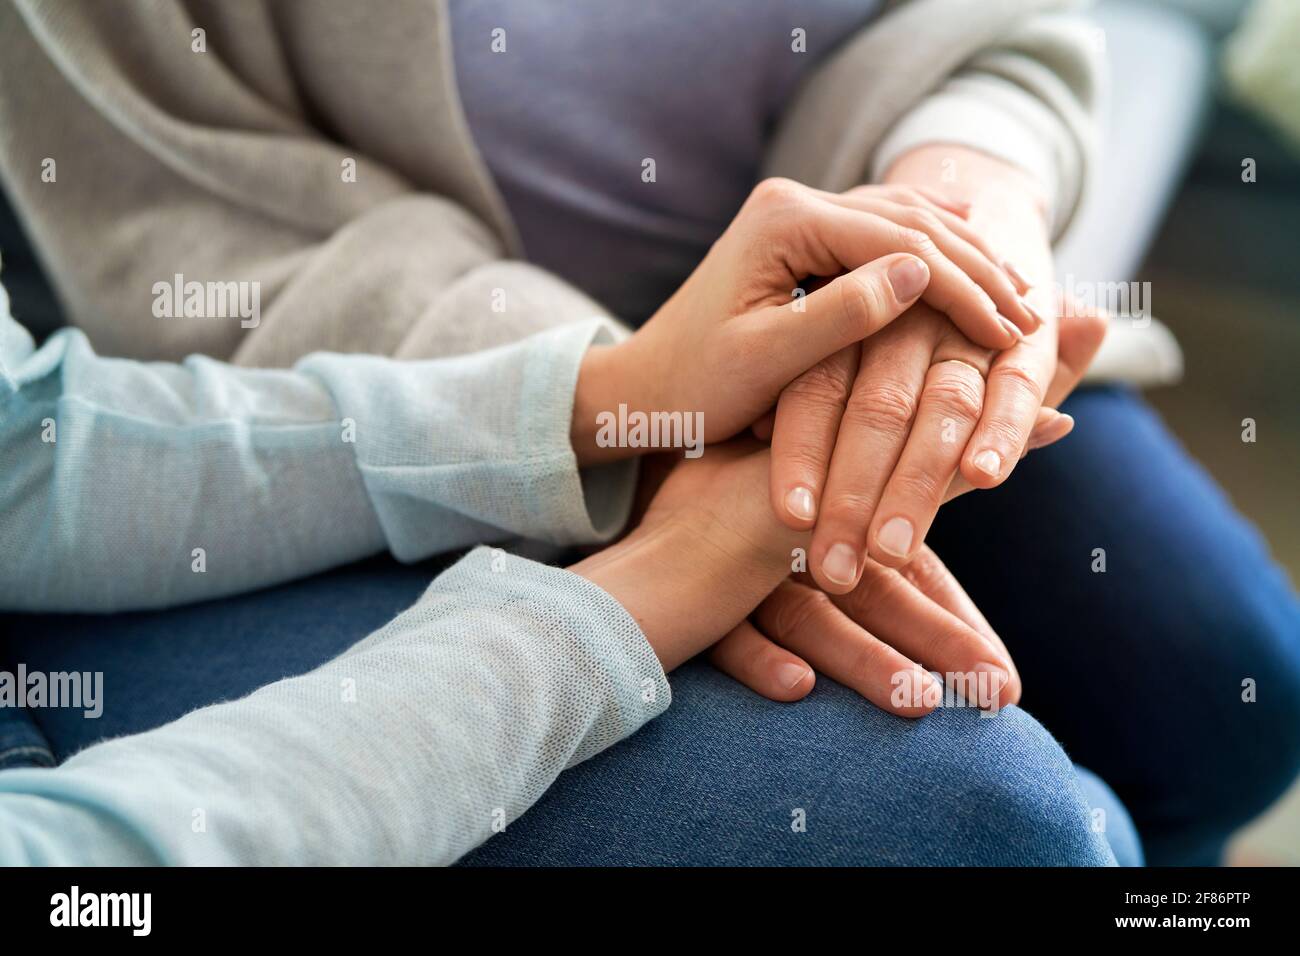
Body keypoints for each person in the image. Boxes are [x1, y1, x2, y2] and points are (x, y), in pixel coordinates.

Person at [1, 0, 1296, 865]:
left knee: (1230, 685)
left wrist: (961, 191)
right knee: (1004, 823)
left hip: (747, 339)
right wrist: (638, 457)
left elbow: (35, 438)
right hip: (388, 350)